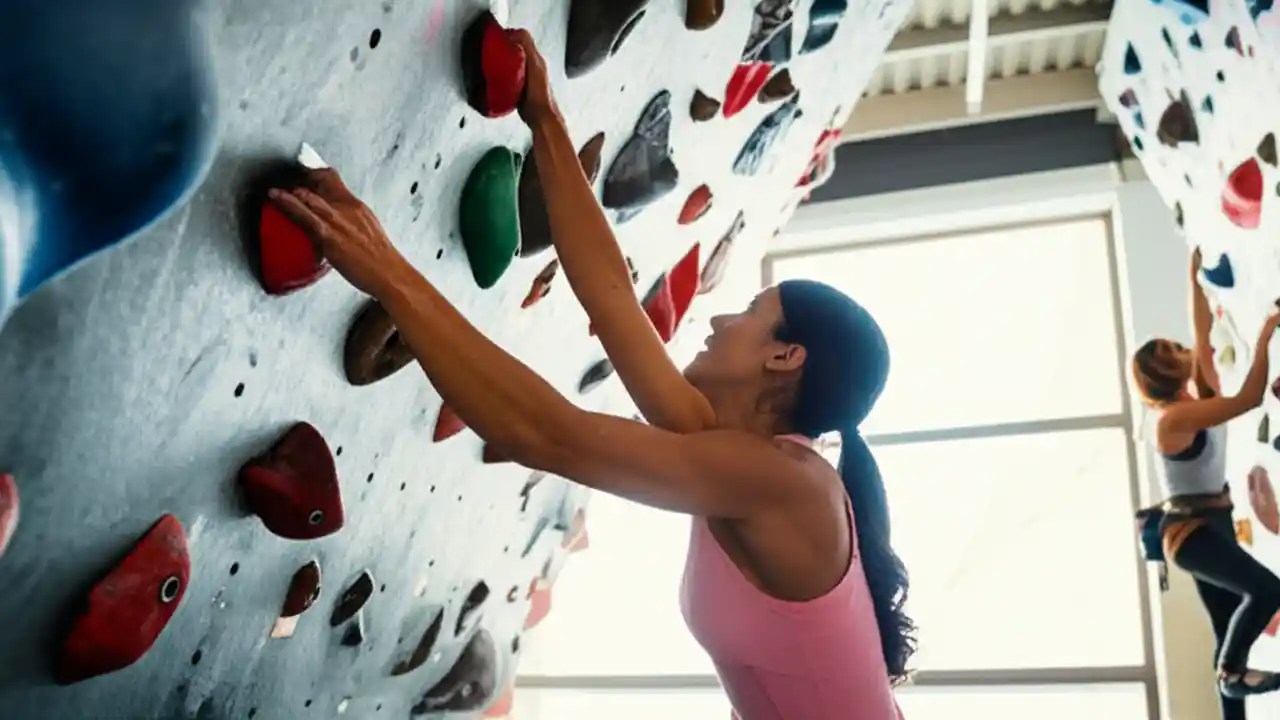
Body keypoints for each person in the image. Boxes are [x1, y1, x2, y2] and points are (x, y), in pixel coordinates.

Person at [267, 30, 913, 719]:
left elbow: (549, 436)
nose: (723, 321)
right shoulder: (735, 459)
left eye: (753, 312)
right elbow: (611, 300)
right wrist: (545, 119)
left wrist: (384, 268)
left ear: (786, 357)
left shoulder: (790, 485)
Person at [1131, 247, 1280, 719]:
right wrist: (1268, 332)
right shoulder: (1171, 420)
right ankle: (1233, 674)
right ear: (1165, 372)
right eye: (1174, 353)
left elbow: (1202, 333)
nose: (1185, 349)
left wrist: (1192, 280)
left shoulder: (1197, 394)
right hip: (1189, 534)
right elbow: (1251, 397)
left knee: (1224, 631)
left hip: (1214, 523)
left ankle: (1231, 681)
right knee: (1269, 592)